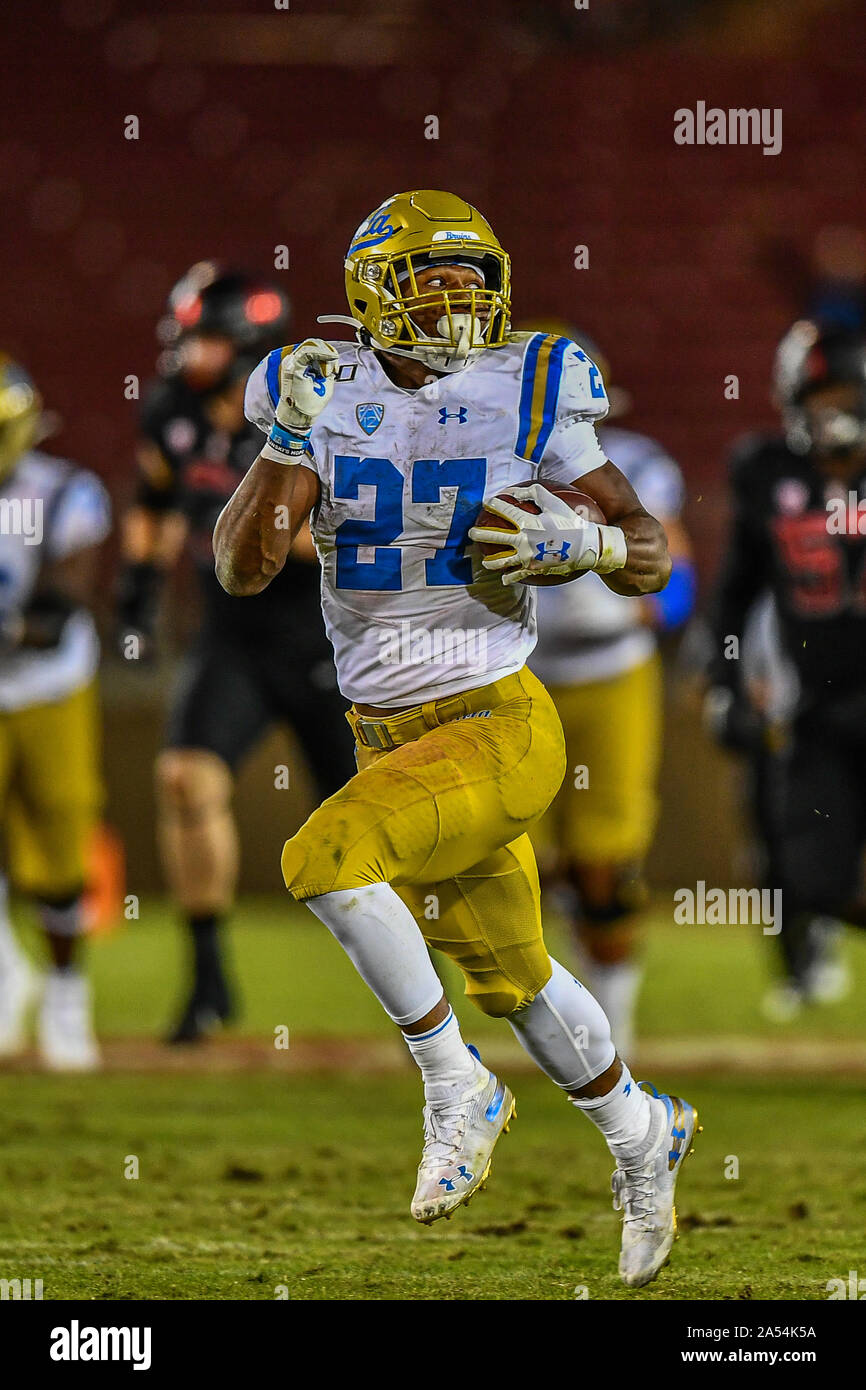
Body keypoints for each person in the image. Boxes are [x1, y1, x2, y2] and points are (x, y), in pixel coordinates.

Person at [215, 190, 700, 1289]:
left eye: (470, 281)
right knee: (519, 980)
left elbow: (651, 551)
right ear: (372, 292)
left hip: (498, 718)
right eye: (430, 280)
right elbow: (244, 569)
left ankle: (453, 1087)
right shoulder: (321, 388)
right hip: (390, 735)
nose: (456, 302)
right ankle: (638, 1129)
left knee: (322, 862)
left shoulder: (528, 383)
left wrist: (583, 542)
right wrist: (285, 439)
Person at [116, 263, 355, 1043]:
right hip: (235, 638)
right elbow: (155, 501)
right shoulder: (175, 411)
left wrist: (266, 539)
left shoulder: (328, 416)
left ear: (249, 344)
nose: (190, 350)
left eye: (208, 336)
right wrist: (140, 590)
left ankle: (430, 1005)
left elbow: (349, 537)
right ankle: (209, 977)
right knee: (185, 779)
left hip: (329, 640)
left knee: (368, 835)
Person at [524, 325, 694, 1056]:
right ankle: (560, 1000)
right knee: (514, 863)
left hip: (612, 667)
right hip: (515, 670)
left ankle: (612, 1030)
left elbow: (677, 575)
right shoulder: (492, 463)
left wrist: (653, 600)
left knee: (608, 862)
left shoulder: (637, 465)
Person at [705, 320, 866, 1011]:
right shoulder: (767, 471)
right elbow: (735, 590)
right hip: (820, 704)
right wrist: (726, 678)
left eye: (845, 393)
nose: (832, 409)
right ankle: (804, 955)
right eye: (819, 394)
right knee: (808, 878)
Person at [0, 355, 111, 1069]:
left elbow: (57, 613)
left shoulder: (65, 490)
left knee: (62, 845)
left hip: (48, 686)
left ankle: (68, 993)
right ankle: (10, 976)